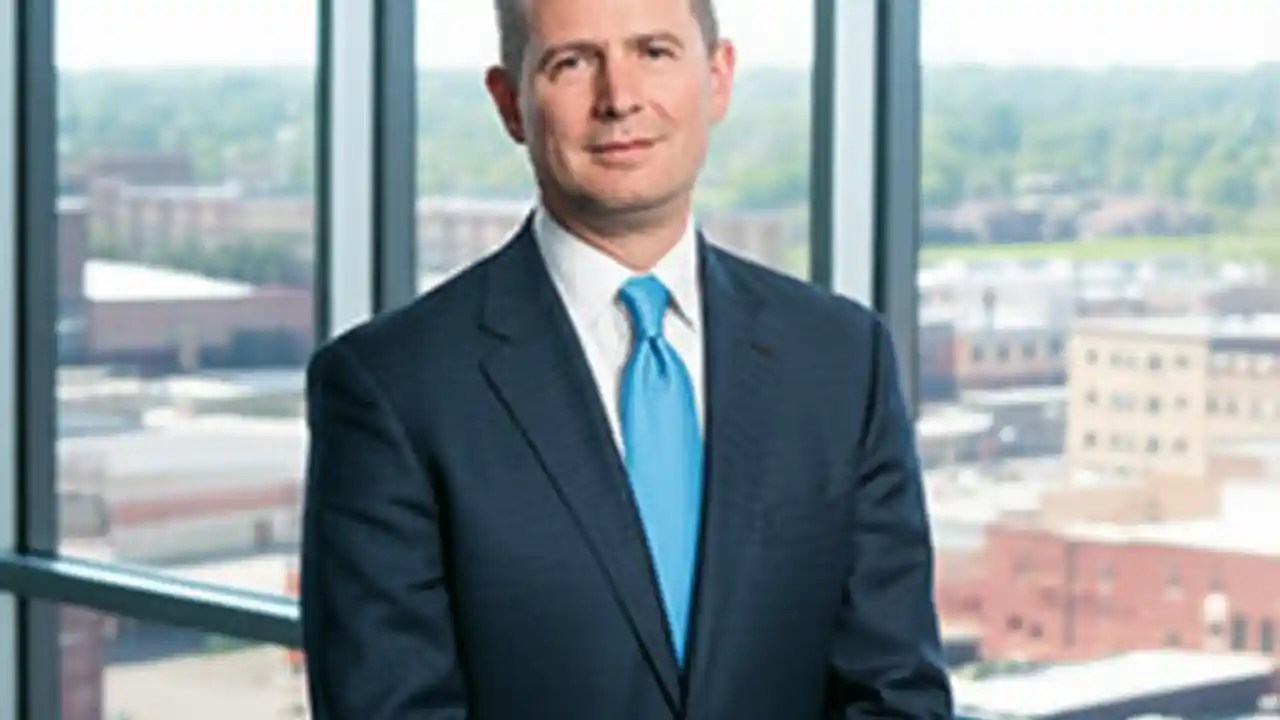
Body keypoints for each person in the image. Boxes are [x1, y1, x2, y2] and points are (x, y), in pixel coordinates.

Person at [300, 0, 953, 717]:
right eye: (572, 62)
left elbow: (896, 694)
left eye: (654, 52)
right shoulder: (391, 387)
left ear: (719, 76)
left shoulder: (841, 358)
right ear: (510, 102)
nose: (620, 99)